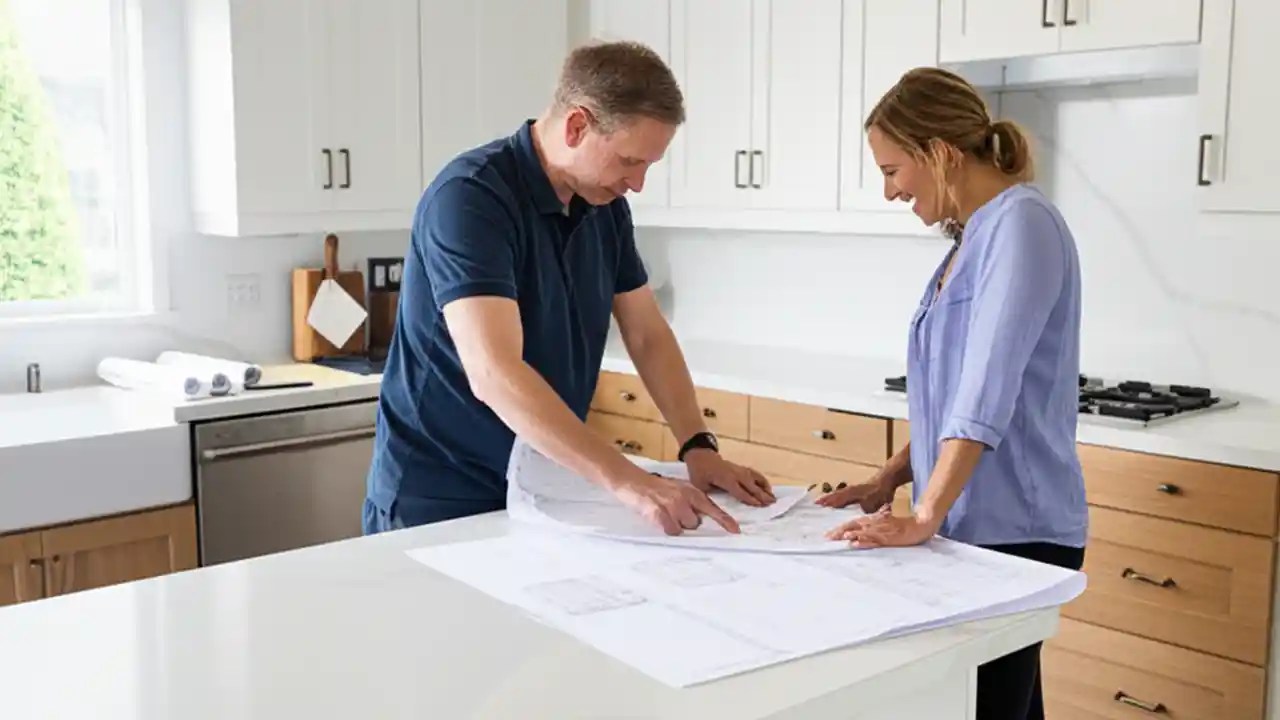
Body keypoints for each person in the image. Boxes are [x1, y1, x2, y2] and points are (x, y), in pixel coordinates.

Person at [363, 40, 774, 537]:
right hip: (437, 497)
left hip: (541, 486)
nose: (638, 183)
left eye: (648, 165)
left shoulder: (605, 207)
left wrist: (697, 446)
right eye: (629, 161)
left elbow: (646, 333)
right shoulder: (470, 198)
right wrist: (630, 481)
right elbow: (493, 371)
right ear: (577, 126)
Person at [817, 67, 1088, 720]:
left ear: (938, 152)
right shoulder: (971, 240)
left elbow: (986, 392)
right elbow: (949, 396)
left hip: (1017, 532)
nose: (890, 190)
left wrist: (923, 516)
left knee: (983, 707)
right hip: (971, 525)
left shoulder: (1023, 224)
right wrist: (889, 480)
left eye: (892, 170)